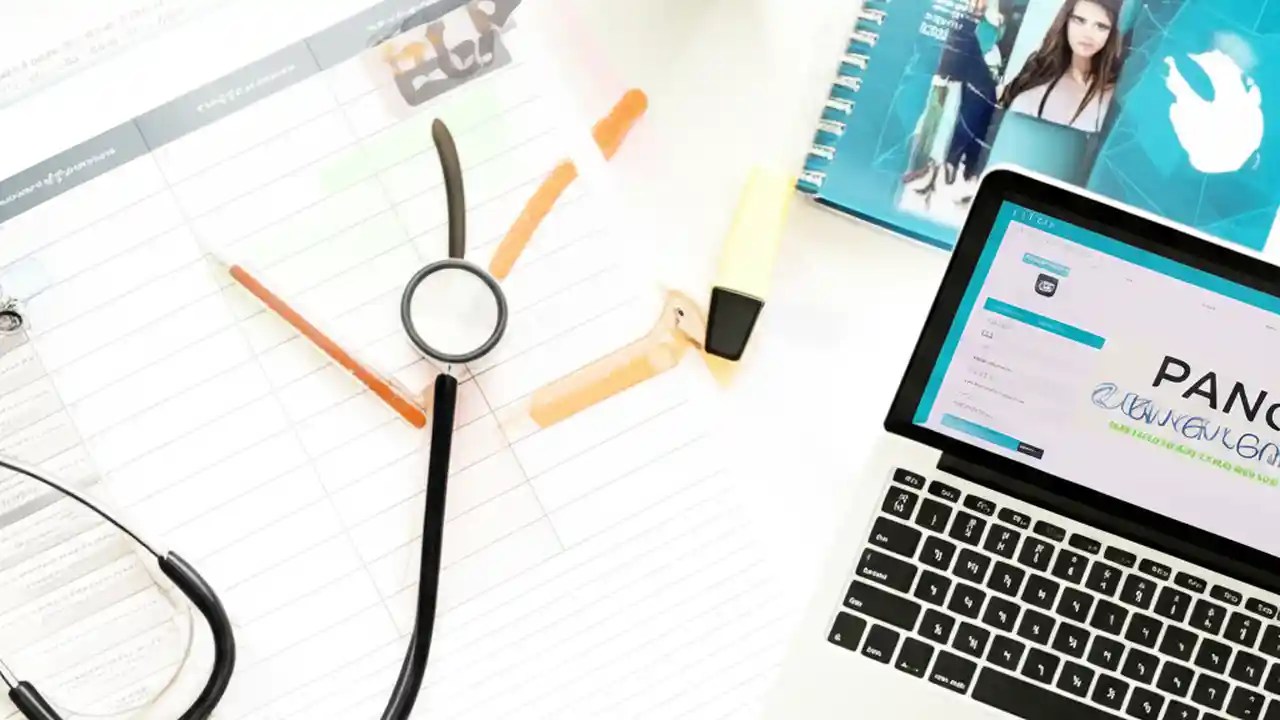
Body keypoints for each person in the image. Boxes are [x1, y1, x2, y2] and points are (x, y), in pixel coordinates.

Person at [999, 0, 1123, 133]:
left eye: (1101, 26)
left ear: (1112, 33)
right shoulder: (1035, 85)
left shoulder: (1119, 94)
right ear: (1066, 20)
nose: (1088, 34)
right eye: (1079, 20)